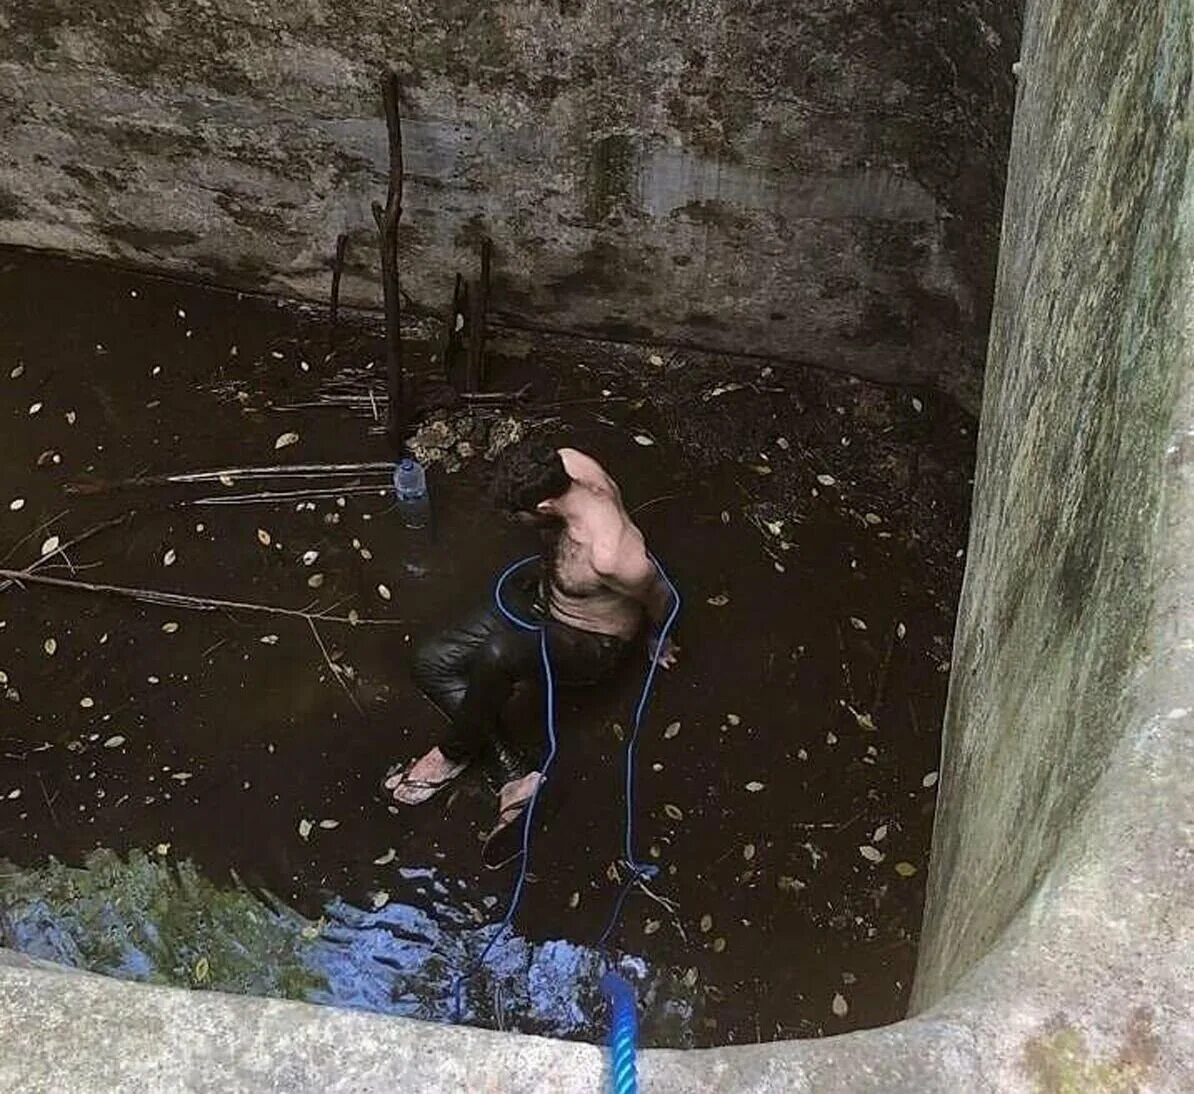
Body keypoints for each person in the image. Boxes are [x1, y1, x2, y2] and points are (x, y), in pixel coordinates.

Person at [383, 443, 678, 842]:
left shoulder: (613, 555)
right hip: (545, 597)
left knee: (498, 654)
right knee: (430, 661)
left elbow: (660, 592)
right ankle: (514, 772)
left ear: (544, 507)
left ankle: (452, 754)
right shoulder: (569, 461)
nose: (513, 521)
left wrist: (660, 638)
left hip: (588, 640)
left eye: (517, 515)